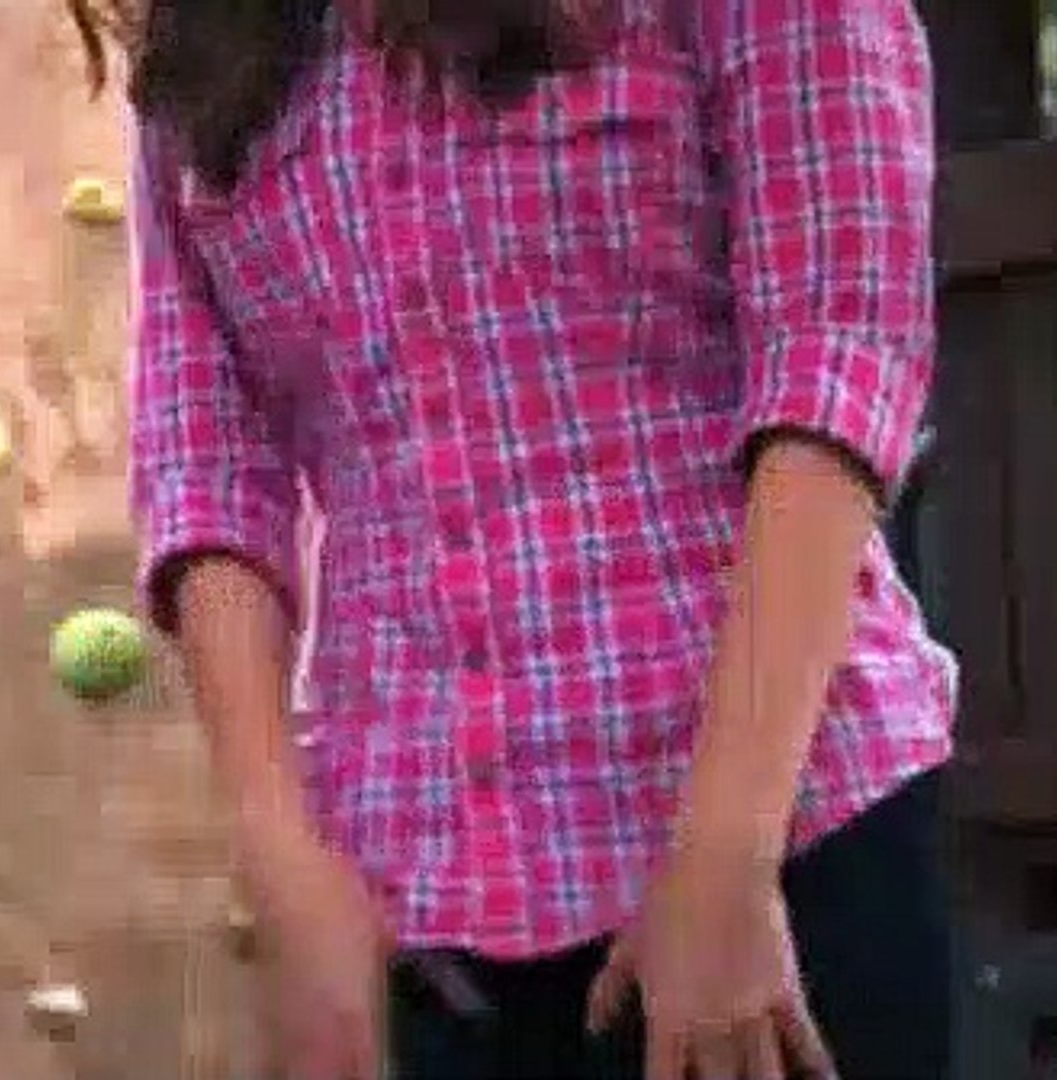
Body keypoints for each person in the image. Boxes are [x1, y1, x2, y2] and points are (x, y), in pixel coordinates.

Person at [73, 1, 956, 1078]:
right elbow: (205, 453)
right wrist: (281, 860)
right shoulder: (208, 41)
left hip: (780, 868)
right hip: (418, 922)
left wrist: (728, 853)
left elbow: (834, 346)